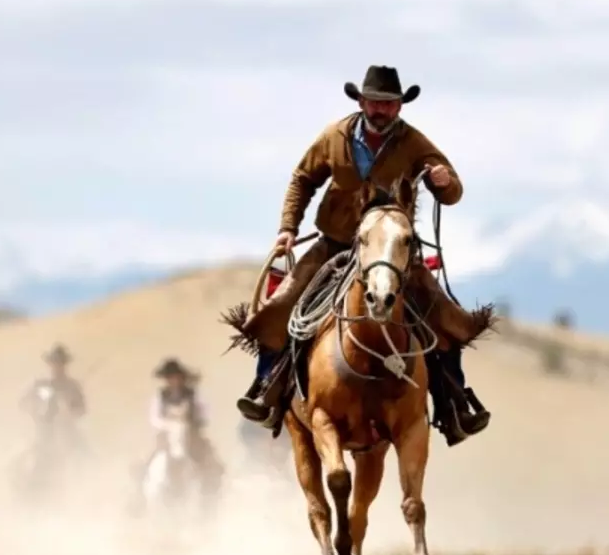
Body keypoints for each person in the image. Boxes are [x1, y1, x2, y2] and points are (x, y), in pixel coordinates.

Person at [231, 65, 493, 446]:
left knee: (445, 317)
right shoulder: (333, 137)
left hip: (391, 251)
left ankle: (455, 404)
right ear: (361, 102)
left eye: (389, 104)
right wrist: (288, 227)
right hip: (335, 241)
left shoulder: (414, 142)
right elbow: (303, 178)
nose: (381, 110)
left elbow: (452, 191)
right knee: (282, 303)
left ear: (400, 107)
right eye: (375, 103)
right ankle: (266, 386)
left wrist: (443, 181)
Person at [147, 357, 220, 491]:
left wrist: (192, 423)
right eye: (170, 377)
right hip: (166, 435)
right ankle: (139, 495)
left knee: (211, 461)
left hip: (190, 434)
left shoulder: (194, 394)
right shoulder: (160, 396)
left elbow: (204, 413)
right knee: (147, 462)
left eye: (176, 377)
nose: (174, 380)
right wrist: (168, 425)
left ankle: (212, 489)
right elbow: (155, 418)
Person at [19, 343, 88, 455]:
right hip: (45, 432)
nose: (58, 366)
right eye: (55, 362)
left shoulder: (72, 386)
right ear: (50, 364)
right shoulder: (41, 385)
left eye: (61, 363)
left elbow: (82, 410)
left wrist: (71, 412)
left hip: (68, 432)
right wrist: (35, 412)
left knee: (87, 455)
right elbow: (23, 403)